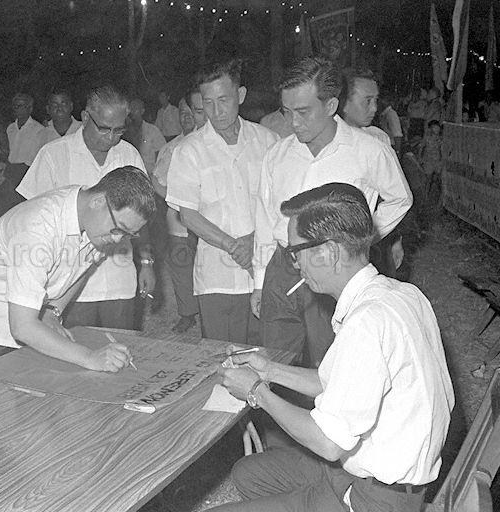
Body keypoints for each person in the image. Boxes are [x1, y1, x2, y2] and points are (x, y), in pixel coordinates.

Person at [213, 182, 454, 512]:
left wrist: (257, 392)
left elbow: (328, 444)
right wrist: (269, 370)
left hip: (375, 499)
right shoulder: (401, 294)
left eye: (295, 252)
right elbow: (338, 382)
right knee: (249, 473)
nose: (295, 264)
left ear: (328, 252)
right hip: (372, 474)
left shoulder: (366, 323)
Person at [252, 56, 412, 367]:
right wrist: (260, 281)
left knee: (330, 366)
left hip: (335, 270)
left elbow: (400, 199)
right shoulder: (277, 155)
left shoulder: (368, 150)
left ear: (330, 105)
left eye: (302, 112)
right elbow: (264, 218)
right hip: (282, 266)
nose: (293, 123)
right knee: (275, 361)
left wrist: (359, 239)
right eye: (287, 112)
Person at [0, 166, 156, 369]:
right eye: (118, 229)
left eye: (128, 234)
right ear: (98, 201)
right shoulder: (37, 228)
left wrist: (52, 312)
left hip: (30, 311)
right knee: (1, 386)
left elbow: (82, 268)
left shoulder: (92, 218)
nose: (118, 239)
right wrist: (90, 357)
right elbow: (22, 327)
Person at [16, 85, 154, 330]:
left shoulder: (128, 154)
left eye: (119, 130)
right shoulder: (54, 154)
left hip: (119, 280)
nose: (111, 138)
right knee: (74, 348)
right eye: (104, 128)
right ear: (85, 117)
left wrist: (146, 263)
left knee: (119, 345)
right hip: (68, 287)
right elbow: (31, 221)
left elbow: (140, 217)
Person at [166, 58, 278, 343]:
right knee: (219, 356)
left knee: (264, 354)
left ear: (240, 95)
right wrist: (233, 246)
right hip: (216, 278)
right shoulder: (189, 150)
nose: (216, 112)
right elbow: (188, 215)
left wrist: (254, 241)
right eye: (208, 103)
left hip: (264, 272)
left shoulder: (268, 141)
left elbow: (278, 204)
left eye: (223, 100)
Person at [152, 89, 205, 333]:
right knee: (181, 267)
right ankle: (187, 313)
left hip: (208, 221)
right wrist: (180, 201)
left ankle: (208, 312)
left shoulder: (209, 143)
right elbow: (157, 181)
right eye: (182, 113)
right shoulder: (170, 148)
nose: (186, 117)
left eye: (190, 112)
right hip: (178, 220)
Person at [0, 93, 45, 216]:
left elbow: (32, 159)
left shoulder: (38, 129)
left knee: (24, 212)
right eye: (16, 106)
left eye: (22, 106)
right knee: (6, 211)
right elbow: (8, 153)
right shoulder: (10, 128)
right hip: (10, 173)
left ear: (30, 108)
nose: (18, 109)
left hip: (26, 173)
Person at [337, 68, 391, 145]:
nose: (374, 108)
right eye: (368, 101)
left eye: (376, 100)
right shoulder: (328, 141)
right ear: (344, 103)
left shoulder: (379, 138)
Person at [125, 98, 166, 174]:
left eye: (135, 109)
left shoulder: (152, 131)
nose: (132, 112)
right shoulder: (124, 133)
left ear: (142, 111)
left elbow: (162, 155)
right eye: (130, 109)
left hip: (149, 173)